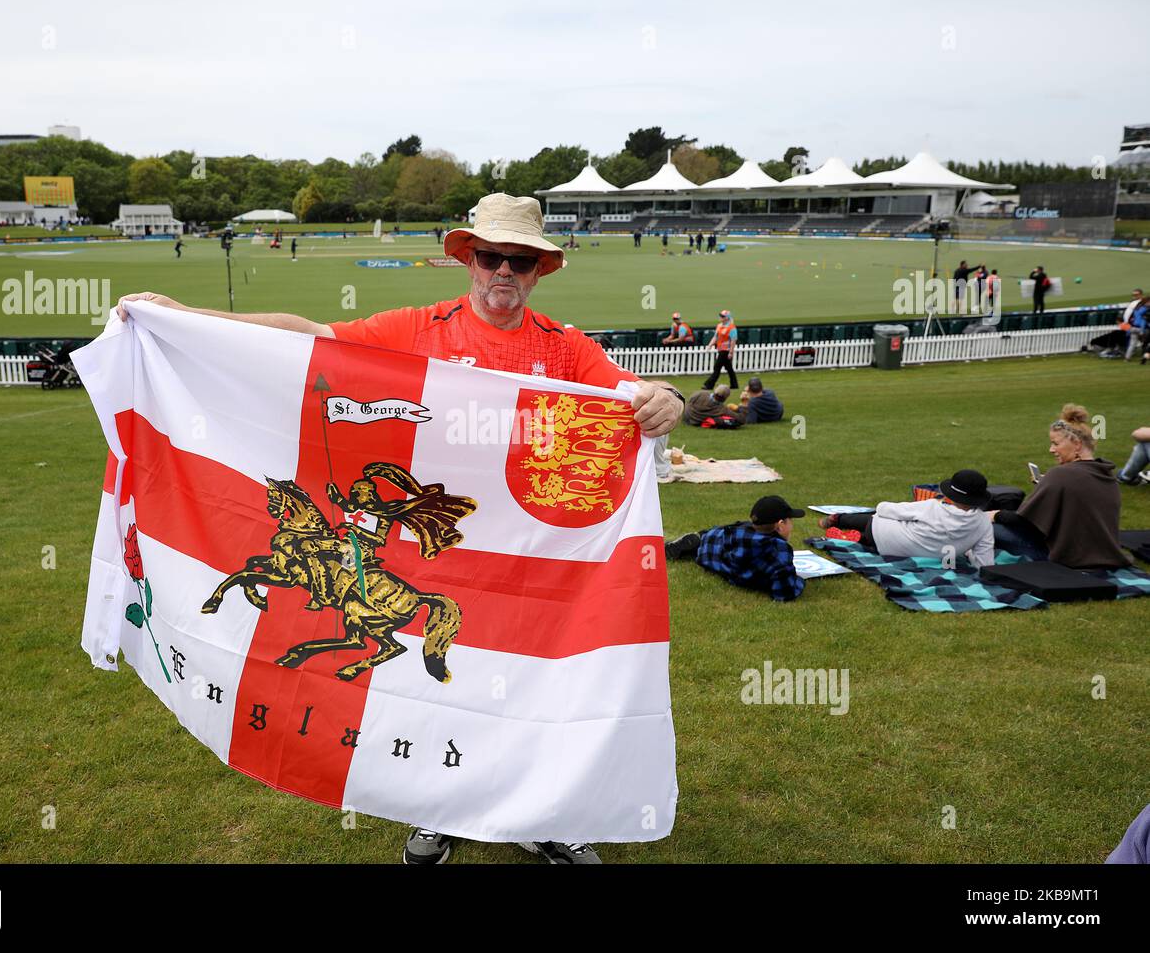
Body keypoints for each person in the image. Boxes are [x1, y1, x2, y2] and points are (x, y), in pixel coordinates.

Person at [117, 192, 683, 866]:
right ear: (469, 261)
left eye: (520, 260)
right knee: (432, 689)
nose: (504, 270)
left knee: (528, 689)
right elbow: (312, 341)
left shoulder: (564, 350)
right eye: (491, 256)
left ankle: (543, 816)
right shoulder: (421, 328)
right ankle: (434, 812)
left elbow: (631, 395)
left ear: (539, 271)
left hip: (522, 565)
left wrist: (668, 399)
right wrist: (188, 319)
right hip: (428, 563)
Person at [992, 404, 1129, 568]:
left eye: (1055, 443)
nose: (1051, 449)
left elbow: (1025, 523)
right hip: (1103, 551)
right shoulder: (1105, 473)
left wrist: (995, 515)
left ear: (1077, 444)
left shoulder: (1060, 475)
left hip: (1066, 556)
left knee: (981, 527)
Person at [818, 469, 996, 566]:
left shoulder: (932, 506)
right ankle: (860, 539)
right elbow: (984, 563)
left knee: (875, 517)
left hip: (885, 536)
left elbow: (888, 510)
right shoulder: (983, 524)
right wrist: (966, 550)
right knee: (888, 529)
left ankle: (838, 520)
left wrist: (880, 507)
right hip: (928, 556)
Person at [665, 496, 806, 602]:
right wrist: (799, 579)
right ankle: (699, 540)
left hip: (710, 554)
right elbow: (784, 593)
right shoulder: (779, 551)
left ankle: (700, 539)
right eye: (790, 521)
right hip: (735, 569)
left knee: (714, 536)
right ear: (780, 525)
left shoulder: (739, 532)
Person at [700, 309, 738, 389]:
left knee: (717, 367)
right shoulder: (719, 326)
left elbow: (733, 340)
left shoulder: (732, 327)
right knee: (729, 369)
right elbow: (716, 337)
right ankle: (734, 384)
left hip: (726, 350)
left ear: (727, 318)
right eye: (721, 316)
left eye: (723, 316)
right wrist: (710, 345)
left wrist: (731, 352)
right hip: (721, 349)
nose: (721, 317)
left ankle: (709, 384)